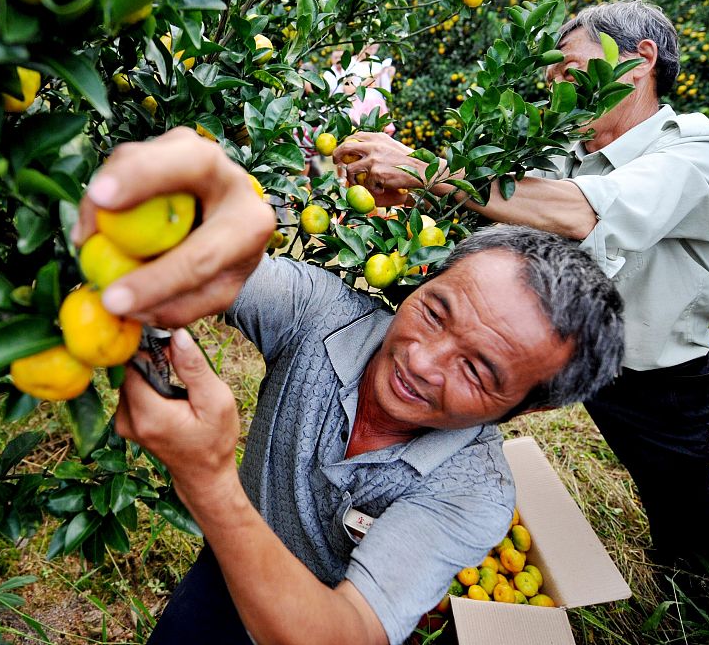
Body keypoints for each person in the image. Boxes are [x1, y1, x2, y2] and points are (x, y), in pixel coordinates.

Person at [74, 129, 625, 645]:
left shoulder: (473, 491)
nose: (422, 362)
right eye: (435, 313)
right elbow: (213, 267)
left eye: (477, 371)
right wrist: (198, 208)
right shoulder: (322, 315)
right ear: (428, 278)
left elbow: (349, 630)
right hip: (223, 568)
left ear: (526, 408)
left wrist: (209, 482)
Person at [332, 0, 709, 577]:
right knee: (447, 420)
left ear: (640, 60)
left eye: (571, 71)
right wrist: (417, 201)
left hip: (653, 371)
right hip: (542, 349)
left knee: (677, 490)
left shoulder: (699, 148)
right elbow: (509, 216)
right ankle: (375, 531)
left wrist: (426, 169)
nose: (557, 90)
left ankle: (698, 595)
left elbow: (583, 213)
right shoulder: (562, 152)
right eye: (551, 77)